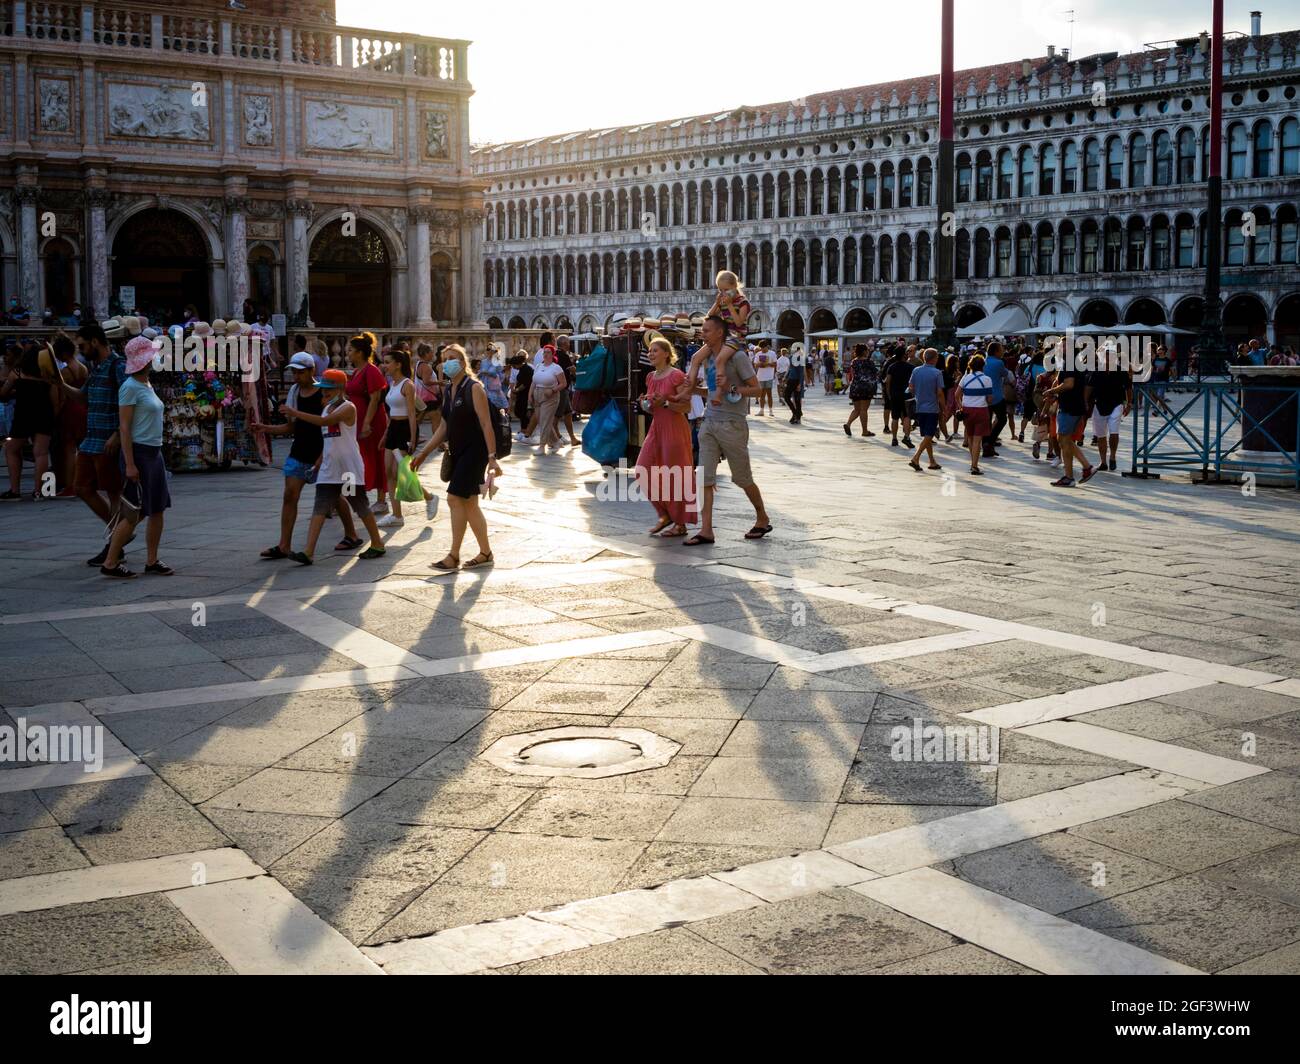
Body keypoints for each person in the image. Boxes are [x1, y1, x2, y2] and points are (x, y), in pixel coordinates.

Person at [251, 351, 363, 559]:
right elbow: (291, 427)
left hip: (323, 452)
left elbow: (329, 426)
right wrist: (264, 428)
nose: (296, 377)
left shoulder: (324, 392)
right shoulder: (294, 391)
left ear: (312, 371)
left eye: (300, 372)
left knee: (336, 497)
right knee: (289, 495)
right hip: (300, 451)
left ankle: (351, 534)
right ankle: (284, 545)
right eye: (293, 372)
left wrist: (323, 457)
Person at [280, 368, 387, 564]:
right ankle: (308, 552)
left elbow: (325, 422)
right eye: (323, 389)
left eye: (328, 389)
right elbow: (327, 439)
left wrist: (295, 412)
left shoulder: (348, 407)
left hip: (347, 468)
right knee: (319, 507)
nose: (324, 393)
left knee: (360, 505)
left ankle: (378, 544)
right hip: (330, 468)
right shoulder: (326, 407)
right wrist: (320, 461)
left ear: (340, 388)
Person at [411, 345, 501, 571]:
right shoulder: (450, 389)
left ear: (462, 362)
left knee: (453, 498)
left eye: (452, 358)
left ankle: (453, 555)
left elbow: (486, 423)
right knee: (470, 503)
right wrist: (422, 454)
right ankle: (486, 552)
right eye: (444, 359)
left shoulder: (474, 388)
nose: (448, 362)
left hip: (476, 452)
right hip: (458, 451)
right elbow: (443, 426)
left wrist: (492, 457)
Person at [683, 316, 771, 545]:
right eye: (702, 330)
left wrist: (732, 388)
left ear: (720, 333)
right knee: (704, 477)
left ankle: (762, 517)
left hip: (733, 424)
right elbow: (712, 391)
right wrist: (694, 390)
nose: (703, 334)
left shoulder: (737, 357)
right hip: (709, 422)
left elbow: (757, 390)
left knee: (742, 478)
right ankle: (706, 530)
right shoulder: (707, 357)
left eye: (707, 330)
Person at [100, 337, 173, 578]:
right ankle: (110, 561)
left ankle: (152, 559)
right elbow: (124, 428)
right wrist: (129, 463)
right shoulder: (130, 386)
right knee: (134, 512)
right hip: (139, 453)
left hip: (154, 453)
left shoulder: (147, 384)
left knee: (157, 509)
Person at [54, 324, 127, 562]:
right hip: (91, 439)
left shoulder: (118, 365)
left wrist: (118, 434)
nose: (81, 350)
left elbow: (128, 403)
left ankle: (115, 544)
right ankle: (119, 533)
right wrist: (60, 384)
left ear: (95, 341)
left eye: (83, 345)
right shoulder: (95, 369)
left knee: (114, 493)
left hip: (108, 440)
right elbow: (82, 396)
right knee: (82, 487)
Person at [635, 334, 697, 538]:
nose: (650, 353)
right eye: (649, 350)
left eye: (655, 350)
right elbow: (653, 409)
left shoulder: (676, 375)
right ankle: (665, 514)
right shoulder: (650, 377)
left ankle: (680, 523)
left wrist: (667, 403)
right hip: (657, 428)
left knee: (675, 475)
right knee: (642, 469)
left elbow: (686, 406)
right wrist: (646, 404)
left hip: (675, 429)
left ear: (666, 354)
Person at [1, 343, 60, 500]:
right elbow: (55, 402)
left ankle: (15, 491)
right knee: (41, 453)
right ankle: (40, 491)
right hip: (44, 416)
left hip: (23, 415)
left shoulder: (17, 373)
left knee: (11, 449)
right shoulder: (49, 377)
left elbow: (3, 393)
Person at [689, 271, 751, 406]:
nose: (723, 293)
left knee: (720, 360)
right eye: (720, 290)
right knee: (696, 358)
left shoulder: (743, 302)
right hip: (723, 337)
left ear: (735, 286)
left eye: (726, 290)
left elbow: (739, 322)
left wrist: (729, 305)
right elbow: (709, 318)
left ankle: (718, 393)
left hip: (736, 337)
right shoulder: (722, 301)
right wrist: (717, 304)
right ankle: (687, 389)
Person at [343, 332, 389, 511]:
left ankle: (381, 499)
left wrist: (367, 423)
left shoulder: (372, 371)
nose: (348, 353)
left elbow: (375, 398)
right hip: (356, 422)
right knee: (356, 458)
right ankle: (350, 497)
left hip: (371, 422)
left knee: (374, 457)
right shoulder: (356, 372)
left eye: (351, 350)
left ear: (360, 353)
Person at [1045, 359, 1097, 487]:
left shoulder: (1069, 364)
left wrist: (1051, 391)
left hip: (1069, 408)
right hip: (1073, 406)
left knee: (1064, 439)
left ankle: (1081, 470)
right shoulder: (1075, 364)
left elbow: (1069, 384)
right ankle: (1076, 473)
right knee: (1064, 440)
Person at [1087, 343, 1132, 473]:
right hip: (1099, 404)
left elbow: (1129, 388)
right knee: (1101, 436)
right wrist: (1085, 402)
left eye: (1111, 356)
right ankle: (1103, 461)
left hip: (1116, 404)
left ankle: (1112, 456)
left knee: (1114, 432)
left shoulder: (1121, 371)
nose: (1108, 358)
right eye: (1106, 356)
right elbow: (1089, 388)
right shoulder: (1096, 372)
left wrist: (1129, 404)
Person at [907, 348, 947, 472]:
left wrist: (918, 394)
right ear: (935, 359)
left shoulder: (916, 370)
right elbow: (940, 393)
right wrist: (944, 407)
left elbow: (911, 387)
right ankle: (916, 457)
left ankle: (932, 461)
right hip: (932, 407)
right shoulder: (937, 373)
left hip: (919, 406)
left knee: (927, 435)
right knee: (929, 435)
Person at [957, 354, 994, 476]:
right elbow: (989, 400)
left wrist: (960, 406)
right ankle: (974, 465)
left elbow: (957, 395)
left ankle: (973, 463)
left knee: (971, 438)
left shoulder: (965, 378)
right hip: (981, 411)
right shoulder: (987, 379)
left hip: (967, 410)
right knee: (978, 440)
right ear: (983, 366)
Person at [530, 345, 567, 453]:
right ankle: (556, 442)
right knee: (542, 421)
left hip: (550, 396)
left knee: (545, 420)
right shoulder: (538, 366)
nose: (545, 354)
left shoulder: (556, 368)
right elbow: (533, 382)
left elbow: (563, 383)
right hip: (537, 394)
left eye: (548, 352)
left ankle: (542, 446)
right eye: (544, 352)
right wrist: (530, 394)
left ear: (552, 354)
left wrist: (553, 390)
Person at [882, 346, 914, 448]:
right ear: (904, 354)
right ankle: (907, 437)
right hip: (907, 395)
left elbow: (888, 382)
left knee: (895, 417)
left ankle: (894, 438)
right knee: (906, 416)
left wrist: (888, 394)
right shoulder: (910, 367)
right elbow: (913, 382)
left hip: (895, 395)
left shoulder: (892, 367)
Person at [844, 343, 878, 438]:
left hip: (855, 387)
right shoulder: (869, 362)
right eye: (867, 350)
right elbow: (876, 372)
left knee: (856, 409)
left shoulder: (854, 362)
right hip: (866, 387)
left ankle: (848, 424)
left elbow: (852, 373)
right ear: (864, 351)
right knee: (864, 410)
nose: (868, 352)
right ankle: (865, 431)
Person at [784, 344, 806, 424]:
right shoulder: (791, 358)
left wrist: (800, 384)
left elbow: (801, 373)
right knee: (786, 397)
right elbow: (790, 369)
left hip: (796, 381)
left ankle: (797, 416)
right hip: (791, 380)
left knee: (797, 399)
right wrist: (786, 377)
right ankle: (796, 413)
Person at [753, 341, 776, 416]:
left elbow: (775, 364)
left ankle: (771, 410)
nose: (762, 350)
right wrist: (760, 364)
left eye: (764, 348)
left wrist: (768, 364)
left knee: (769, 393)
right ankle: (761, 410)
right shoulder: (758, 354)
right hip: (760, 376)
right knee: (761, 394)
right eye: (761, 348)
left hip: (769, 376)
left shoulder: (772, 353)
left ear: (767, 346)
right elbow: (755, 365)